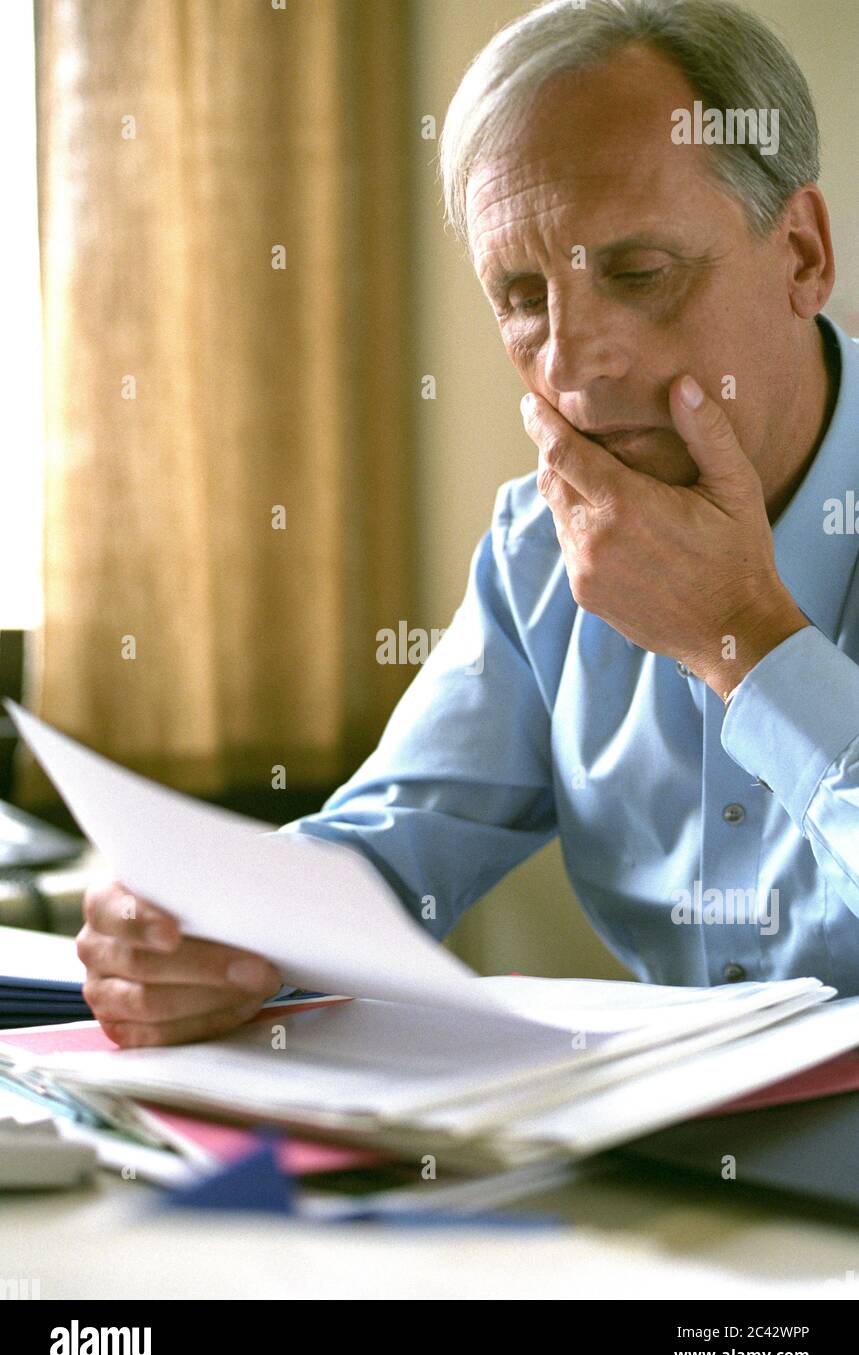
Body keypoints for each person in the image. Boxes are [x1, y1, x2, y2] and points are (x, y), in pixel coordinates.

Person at [78, 0, 859, 1047]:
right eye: (524, 295)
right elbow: (393, 842)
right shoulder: (543, 545)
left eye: (638, 274)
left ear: (802, 254)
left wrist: (749, 638)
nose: (574, 365)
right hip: (674, 1178)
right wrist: (212, 930)